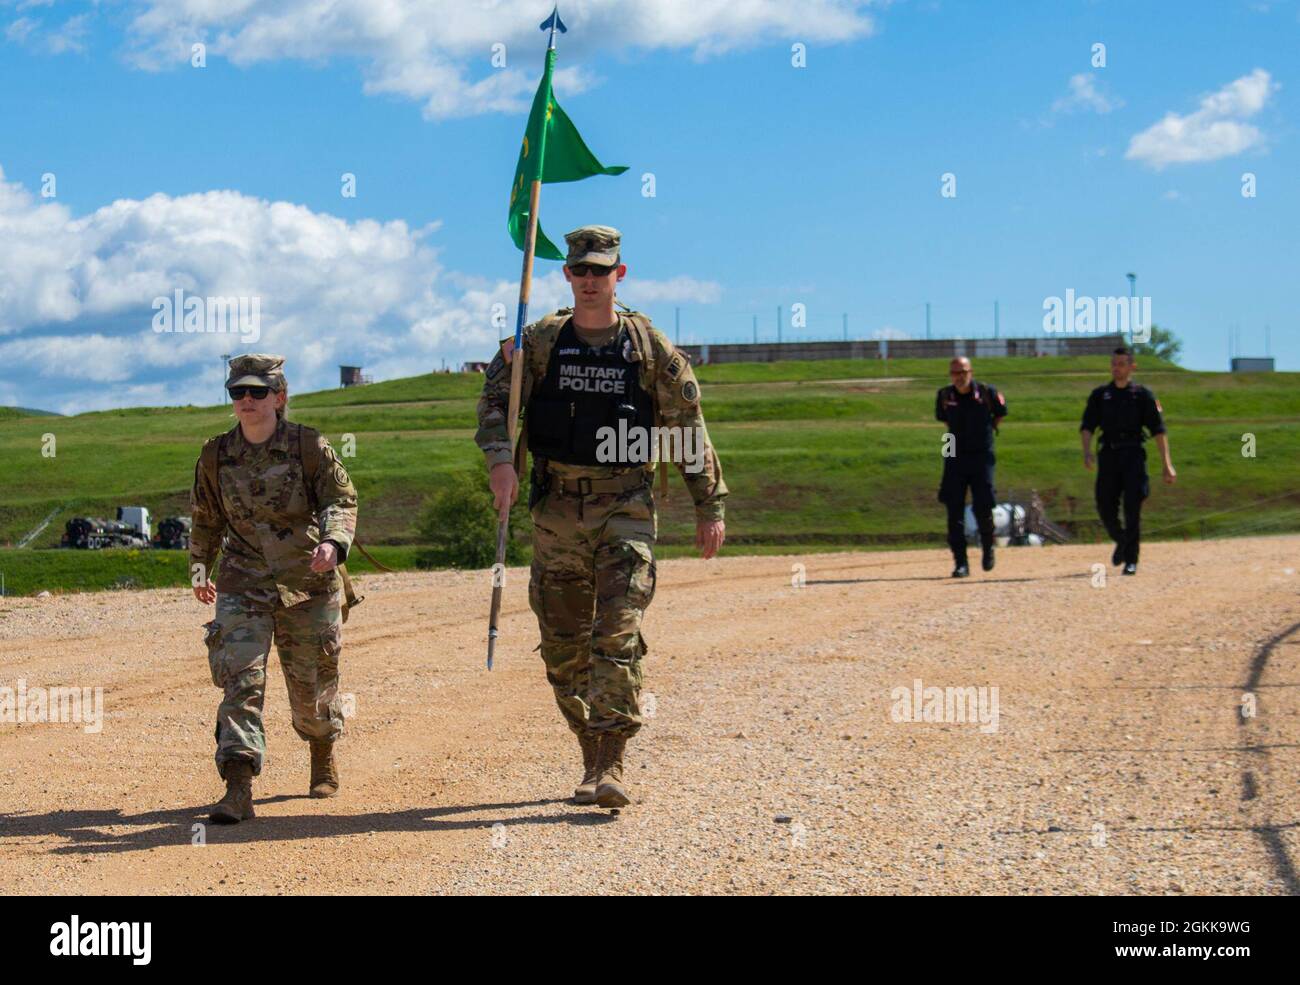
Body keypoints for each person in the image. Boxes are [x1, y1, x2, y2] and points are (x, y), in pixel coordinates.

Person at [475, 225, 727, 808]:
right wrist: (499, 462)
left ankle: (611, 757)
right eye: (580, 270)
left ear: (620, 274)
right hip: (556, 507)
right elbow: (494, 404)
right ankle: (590, 751)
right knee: (563, 646)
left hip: (625, 505)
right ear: (566, 274)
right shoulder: (537, 342)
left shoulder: (648, 347)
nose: (591, 280)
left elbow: (688, 429)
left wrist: (708, 504)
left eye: (601, 270)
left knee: (616, 630)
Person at [190, 354, 358, 823]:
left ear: (279, 397)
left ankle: (321, 748)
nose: (246, 400)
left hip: (307, 580)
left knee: (312, 689)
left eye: (257, 392)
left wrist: (333, 541)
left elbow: (340, 500)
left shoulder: (309, 445)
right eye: (237, 392)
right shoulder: (215, 454)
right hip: (243, 580)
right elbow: (206, 516)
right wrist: (200, 566)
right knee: (240, 679)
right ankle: (238, 785)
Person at [1080, 346, 1175, 575]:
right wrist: (1087, 451)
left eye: (1121, 364)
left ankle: (1131, 559)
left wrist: (1167, 464)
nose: (1117, 368)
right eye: (1114, 364)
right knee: (1104, 505)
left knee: (1133, 507)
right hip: (1109, 455)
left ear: (1132, 366)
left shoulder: (1143, 395)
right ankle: (1122, 540)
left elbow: (1158, 430)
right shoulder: (1100, 395)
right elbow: (1087, 426)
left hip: (1133, 454)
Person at [935, 357, 1006, 577]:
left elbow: (1000, 415)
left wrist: (984, 435)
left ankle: (987, 548)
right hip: (953, 449)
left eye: (963, 371)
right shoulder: (944, 395)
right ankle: (961, 563)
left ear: (971, 372)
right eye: (955, 372)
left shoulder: (986, 393)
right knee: (953, 508)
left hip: (981, 454)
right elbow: (945, 421)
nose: (959, 376)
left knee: (983, 506)